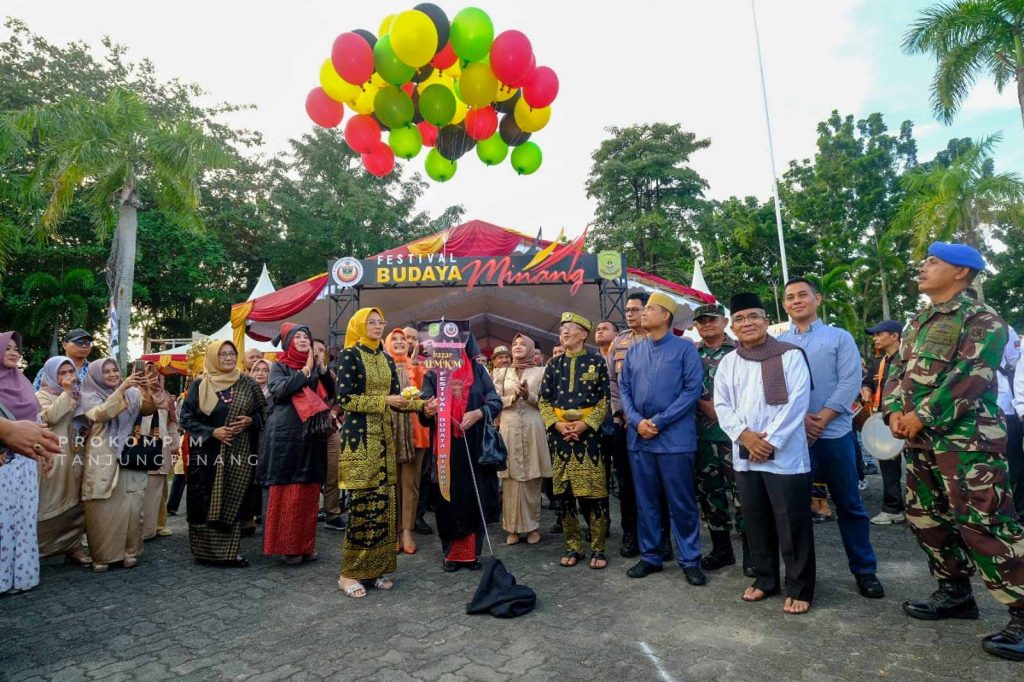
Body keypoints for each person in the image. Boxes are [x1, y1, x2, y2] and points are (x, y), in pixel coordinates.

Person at [884, 242, 1024, 661]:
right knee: (926, 517)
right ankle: (954, 594)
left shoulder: (983, 320)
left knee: (986, 522)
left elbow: (971, 377)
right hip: (920, 440)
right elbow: (898, 370)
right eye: (924, 260)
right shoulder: (917, 321)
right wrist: (893, 411)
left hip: (968, 443)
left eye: (933, 262)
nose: (923, 267)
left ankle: (1022, 613)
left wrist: (921, 416)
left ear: (962, 272)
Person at [778, 278, 884, 600]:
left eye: (802, 295)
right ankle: (800, 577)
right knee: (795, 509)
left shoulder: (839, 337)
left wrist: (821, 419)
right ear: (784, 305)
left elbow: (850, 381)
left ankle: (865, 571)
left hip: (834, 433)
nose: (796, 301)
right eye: (790, 297)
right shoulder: (779, 344)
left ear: (817, 299)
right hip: (794, 438)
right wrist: (798, 422)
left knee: (849, 504)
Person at [714, 293, 815, 615]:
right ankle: (766, 578)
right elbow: (722, 405)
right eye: (740, 319)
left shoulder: (790, 354)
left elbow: (797, 402)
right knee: (755, 519)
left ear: (766, 320)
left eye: (753, 317)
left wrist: (768, 441)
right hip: (746, 453)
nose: (747, 324)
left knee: (792, 521)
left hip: (784, 455)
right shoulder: (728, 362)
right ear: (733, 326)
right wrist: (745, 437)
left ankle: (800, 586)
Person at [336, 310, 426, 597]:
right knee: (361, 505)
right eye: (371, 322)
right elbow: (345, 399)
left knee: (383, 506)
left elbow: (399, 401)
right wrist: (382, 400)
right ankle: (349, 574)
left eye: (380, 322)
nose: (377, 326)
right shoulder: (349, 355)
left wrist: (423, 407)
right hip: (360, 441)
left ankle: (374, 569)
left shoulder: (386, 359)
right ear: (359, 325)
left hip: (385, 440)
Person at [619, 293, 706, 585]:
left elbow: (692, 391)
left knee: (681, 502)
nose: (642, 314)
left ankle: (690, 559)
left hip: (675, 439)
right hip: (640, 438)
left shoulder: (685, 350)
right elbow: (625, 392)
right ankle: (651, 556)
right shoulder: (633, 351)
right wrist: (636, 421)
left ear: (665, 316)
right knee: (647, 501)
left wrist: (658, 421)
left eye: (649, 310)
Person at [179, 341, 266, 567]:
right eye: (222, 354)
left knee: (231, 498)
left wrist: (250, 420)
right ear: (213, 357)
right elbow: (186, 418)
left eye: (231, 354)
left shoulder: (247, 383)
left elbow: (263, 413)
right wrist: (212, 432)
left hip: (239, 453)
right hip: (207, 453)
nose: (228, 358)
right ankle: (204, 552)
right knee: (204, 500)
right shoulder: (200, 385)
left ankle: (227, 552)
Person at [420, 334, 502, 572]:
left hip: (474, 444)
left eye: (457, 343)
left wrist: (478, 413)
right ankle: (450, 553)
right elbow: (424, 401)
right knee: (447, 497)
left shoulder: (477, 370)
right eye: (447, 344)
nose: (452, 347)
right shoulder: (433, 372)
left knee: (474, 496)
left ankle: (471, 554)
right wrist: (428, 406)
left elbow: (495, 400)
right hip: (445, 446)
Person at [258, 323, 335, 565]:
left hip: (310, 436)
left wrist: (321, 370)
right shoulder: (279, 366)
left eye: (306, 336)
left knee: (309, 489)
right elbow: (278, 391)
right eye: (298, 337)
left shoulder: (316, 368)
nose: (303, 340)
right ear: (288, 342)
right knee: (287, 489)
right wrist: (303, 372)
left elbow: (332, 394)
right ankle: (288, 547)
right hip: (284, 436)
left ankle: (305, 545)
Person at [540, 312, 611, 569]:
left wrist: (585, 424)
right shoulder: (553, 365)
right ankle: (573, 546)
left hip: (589, 439)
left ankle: (598, 548)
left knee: (594, 495)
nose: (564, 332)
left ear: (584, 334)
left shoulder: (596, 362)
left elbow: (604, 400)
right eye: (562, 329)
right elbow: (543, 400)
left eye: (570, 328)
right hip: (560, 439)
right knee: (565, 495)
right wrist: (557, 424)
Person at [77, 357, 157, 572]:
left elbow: (148, 409)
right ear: (96, 376)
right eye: (107, 372)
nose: (112, 374)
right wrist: (121, 389)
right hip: (102, 455)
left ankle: (130, 552)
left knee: (132, 505)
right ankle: (103, 556)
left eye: (115, 370)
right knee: (102, 508)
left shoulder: (132, 393)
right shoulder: (89, 394)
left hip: (129, 454)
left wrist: (146, 389)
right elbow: (101, 413)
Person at [692, 303, 749, 575]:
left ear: (725, 321)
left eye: (711, 320)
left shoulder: (741, 350)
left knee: (744, 494)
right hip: (703, 436)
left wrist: (725, 413)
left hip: (736, 436)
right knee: (710, 494)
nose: (706, 325)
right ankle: (721, 550)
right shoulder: (691, 354)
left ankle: (752, 553)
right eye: (701, 321)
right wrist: (704, 404)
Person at [493, 333, 551, 546]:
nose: (517, 346)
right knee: (510, 480)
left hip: (533, 426)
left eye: (522, 343)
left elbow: (547, 402)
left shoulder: (542, 372)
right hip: (508, 427)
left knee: (532, 478)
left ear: (530, 347)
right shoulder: (501, 372)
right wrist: (513, 397)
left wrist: (528, 396)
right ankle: (512, 528)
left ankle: (533, 527)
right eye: (514, 343)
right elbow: (494, 400)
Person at [34, 355, 91, 566]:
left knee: (76, 503)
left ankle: (73, 546)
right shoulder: (41, 395)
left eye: (71, 372)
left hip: (76, 456)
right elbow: (50, 417)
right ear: (50, 375)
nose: (68, 376)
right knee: (51, 501)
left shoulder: (79, 395)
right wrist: (67, 392)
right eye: (62, 373)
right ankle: (40, 549)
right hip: (54, 457)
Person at [607, 292, 650, 558]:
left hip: (654, 425)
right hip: (625, 424)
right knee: (626, 483)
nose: (630, 314)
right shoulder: (618, 342)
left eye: (636, 309)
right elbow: (613, 382)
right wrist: (621, 413)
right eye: (628, 310)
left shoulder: (657, 339)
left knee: (654, 483)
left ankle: (658, 537)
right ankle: (630, 534)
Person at [0, 331, 44, 594]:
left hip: (25, 463)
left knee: (25, 519)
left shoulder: (24, 382)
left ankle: (23, 577)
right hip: (3, 463)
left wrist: (41, 452)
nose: (14, 352)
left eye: (17, 349)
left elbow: (35, 421)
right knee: (3, 521)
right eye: (8, 348)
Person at [384, 328, 427, 555]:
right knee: (391, 482)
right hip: (388, 432)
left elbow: (427, 396)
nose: (400, 342)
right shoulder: (381, 368)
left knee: (410, 483)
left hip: (415, 433)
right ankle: (392, 530)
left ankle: (407, 530)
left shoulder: (419, 368)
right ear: (387, 344)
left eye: (404, 339)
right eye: (396, 339)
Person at [862, 320, 907, 525]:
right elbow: (868, 381)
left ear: (895, 336)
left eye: (879, 334)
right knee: (888, 465)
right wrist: (866, 389)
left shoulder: (909, 359)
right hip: (884, 419)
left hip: (909, 420)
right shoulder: (879, 361)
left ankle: (924, 510)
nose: (875, 338)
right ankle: (892, 508)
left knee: (918, 468)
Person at [141, 363, 178, 541]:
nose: (153, 377)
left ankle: (159, 524)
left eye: (156, 374)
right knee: (143, 487)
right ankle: (144, 529)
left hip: (161, 445)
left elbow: (172, 422)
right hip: (138, 446)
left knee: (160, 487)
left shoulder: (166, 397)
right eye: (148, 373)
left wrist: (174, 447)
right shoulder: (133, 393)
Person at [404, 325, 435, 537]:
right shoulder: (392, 361)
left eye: (414, 338)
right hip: (402, 430)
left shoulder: (426, 365)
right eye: (407, 337)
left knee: (423, 477)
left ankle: (418, 516)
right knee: (406, 479)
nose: (410, 342)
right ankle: (403, 523)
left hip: (424, 429)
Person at [313, 338, 345, 532]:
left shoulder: (330, 374)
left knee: (334, 471)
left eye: (321, 350)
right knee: (311, 473)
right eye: (315, 349)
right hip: (308, 430)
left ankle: (332, 513)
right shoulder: (301, 373)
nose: (318, 353)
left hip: (330, 428)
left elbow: (341, 399)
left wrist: (333, 412)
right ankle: (311, 511)